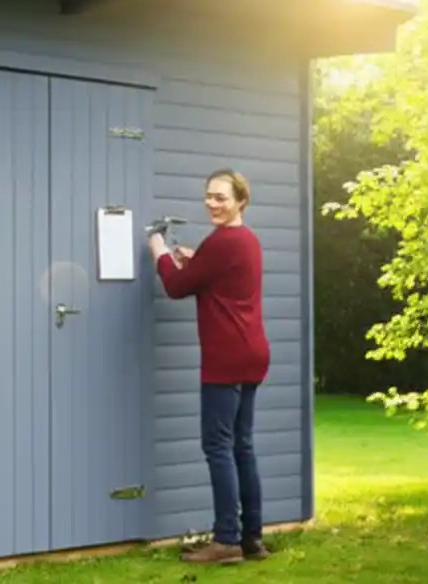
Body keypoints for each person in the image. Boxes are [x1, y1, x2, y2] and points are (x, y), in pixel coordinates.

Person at [146, 169, 271, 565]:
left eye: (221, 198)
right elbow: (217, 277)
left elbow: (177, 286)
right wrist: (194, 260)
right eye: (209, 196)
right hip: (253, 353)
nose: (212, 204)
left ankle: (226, 540)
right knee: (242, 446)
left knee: (218, 446)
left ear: (241, 201)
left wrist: (159, 251)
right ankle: (252, 538)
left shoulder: (221, 242)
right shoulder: (247, 241)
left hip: (225, 357)